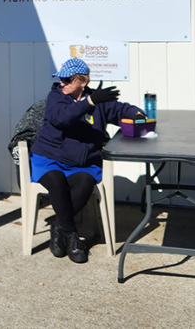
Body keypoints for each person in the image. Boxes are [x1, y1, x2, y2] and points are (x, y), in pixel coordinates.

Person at [30, 57, 144, 263]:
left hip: (82, 163)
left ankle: (59, 225)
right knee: (56, 182)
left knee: (84, 183)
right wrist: (88, 102)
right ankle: (72, 236)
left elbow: (120, 109)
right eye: (61, 79)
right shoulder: (56, 96)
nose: (61, 83)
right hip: (50, 158)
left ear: (82, 81)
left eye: (67, 79)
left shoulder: (97, 101)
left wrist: (137, 113)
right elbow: (61, 118)